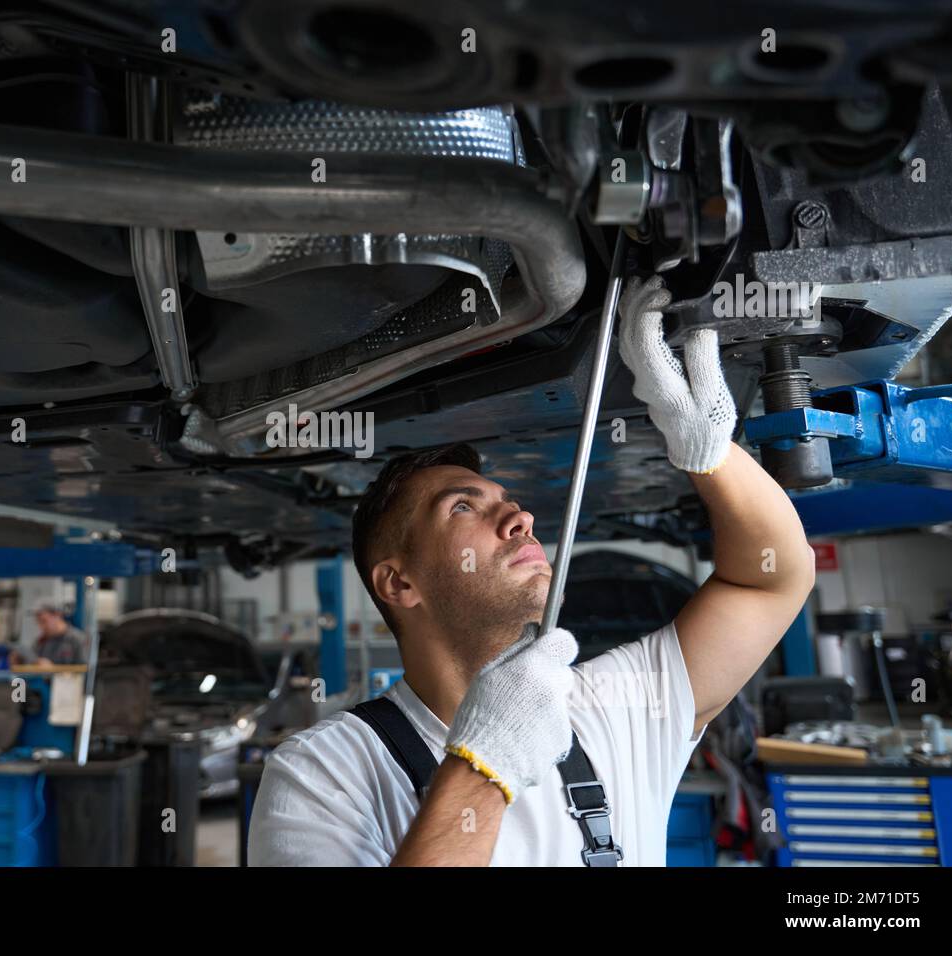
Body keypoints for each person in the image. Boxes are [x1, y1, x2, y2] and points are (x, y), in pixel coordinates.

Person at [247, 275, 816, 866]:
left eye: (507, 501)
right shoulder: (324, 773)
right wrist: (483, 764)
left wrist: (712, 457)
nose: (519, 517)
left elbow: (770, 580)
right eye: (463, 507)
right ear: (399, 583)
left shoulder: (608, 707)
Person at [12, 605, 88, 666]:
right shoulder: (42, 641)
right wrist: (19, 661)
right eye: (38, 622)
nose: (41, 626)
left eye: (44, 621)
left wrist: (52, 669)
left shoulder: (77, 639)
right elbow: (33, 661)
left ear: (57, 615)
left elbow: (84, 671)